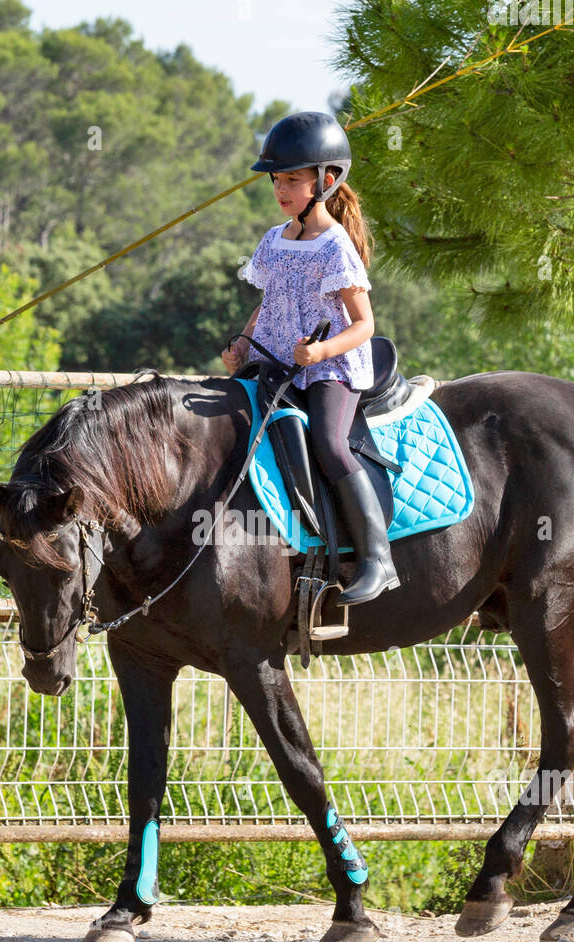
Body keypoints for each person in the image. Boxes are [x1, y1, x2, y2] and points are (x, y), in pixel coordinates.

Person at [221, 111, 399, 606]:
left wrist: (320, 350)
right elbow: (269, 301)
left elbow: (365, 324)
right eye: (277, 179)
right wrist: (242, 341)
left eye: (292, 180)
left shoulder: (335, 247)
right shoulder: (275, 240)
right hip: (276, 362)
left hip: (331, 370)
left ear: (325, 180)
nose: (281, 189)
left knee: (329, 442)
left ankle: (377, 560)